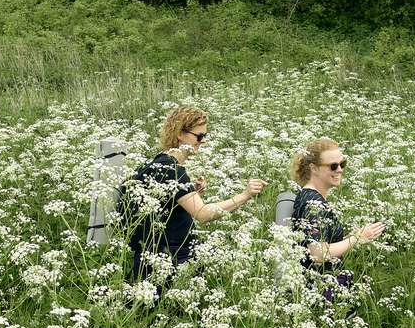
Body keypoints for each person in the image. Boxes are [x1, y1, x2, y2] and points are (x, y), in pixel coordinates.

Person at [126, 106, 265, 281]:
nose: (203, 141)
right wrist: (245, 195)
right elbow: (203, 214)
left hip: (158, 257)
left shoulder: (159, 162)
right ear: (179, 134)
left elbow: (165, 206)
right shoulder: (172, 170)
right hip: (166, 262)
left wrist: (192, 193)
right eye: (199, 136)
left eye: (204, 136)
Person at [289, 138, 384, 289]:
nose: (340, 169)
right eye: (333, 166)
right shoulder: (314, 204)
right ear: (314, 168)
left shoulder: (309, 196)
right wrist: (358, 238)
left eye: (342, 164)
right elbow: (317, 254)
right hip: (320, 290)